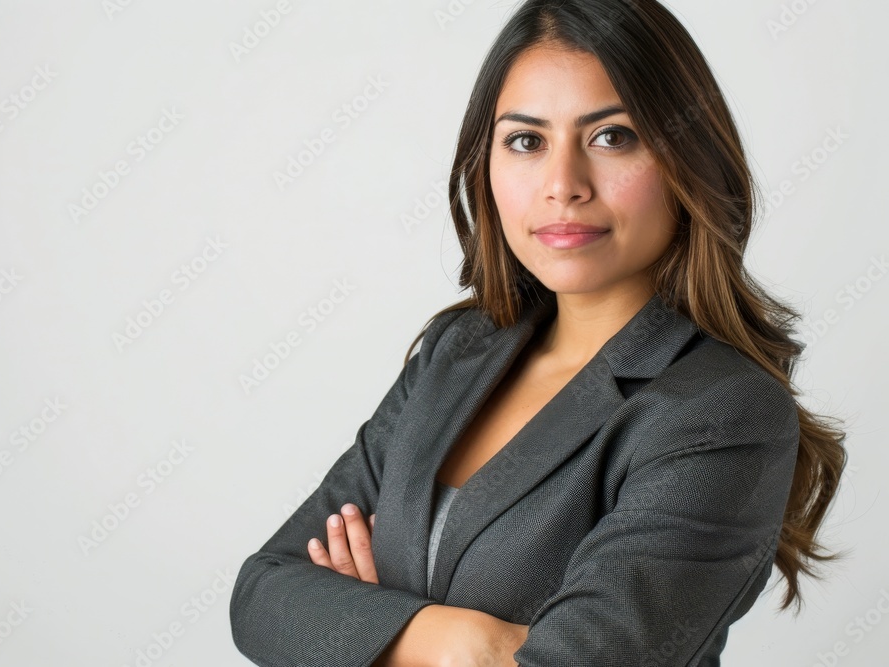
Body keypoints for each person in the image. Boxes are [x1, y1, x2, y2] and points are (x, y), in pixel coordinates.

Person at [229, 1, 848, 665]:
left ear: (687, 158)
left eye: (612, 137)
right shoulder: (456, 351)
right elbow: (262, 596)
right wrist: (469, 644)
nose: (562, 185)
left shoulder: (723, 411)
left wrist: (367, 633)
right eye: (527, 141)